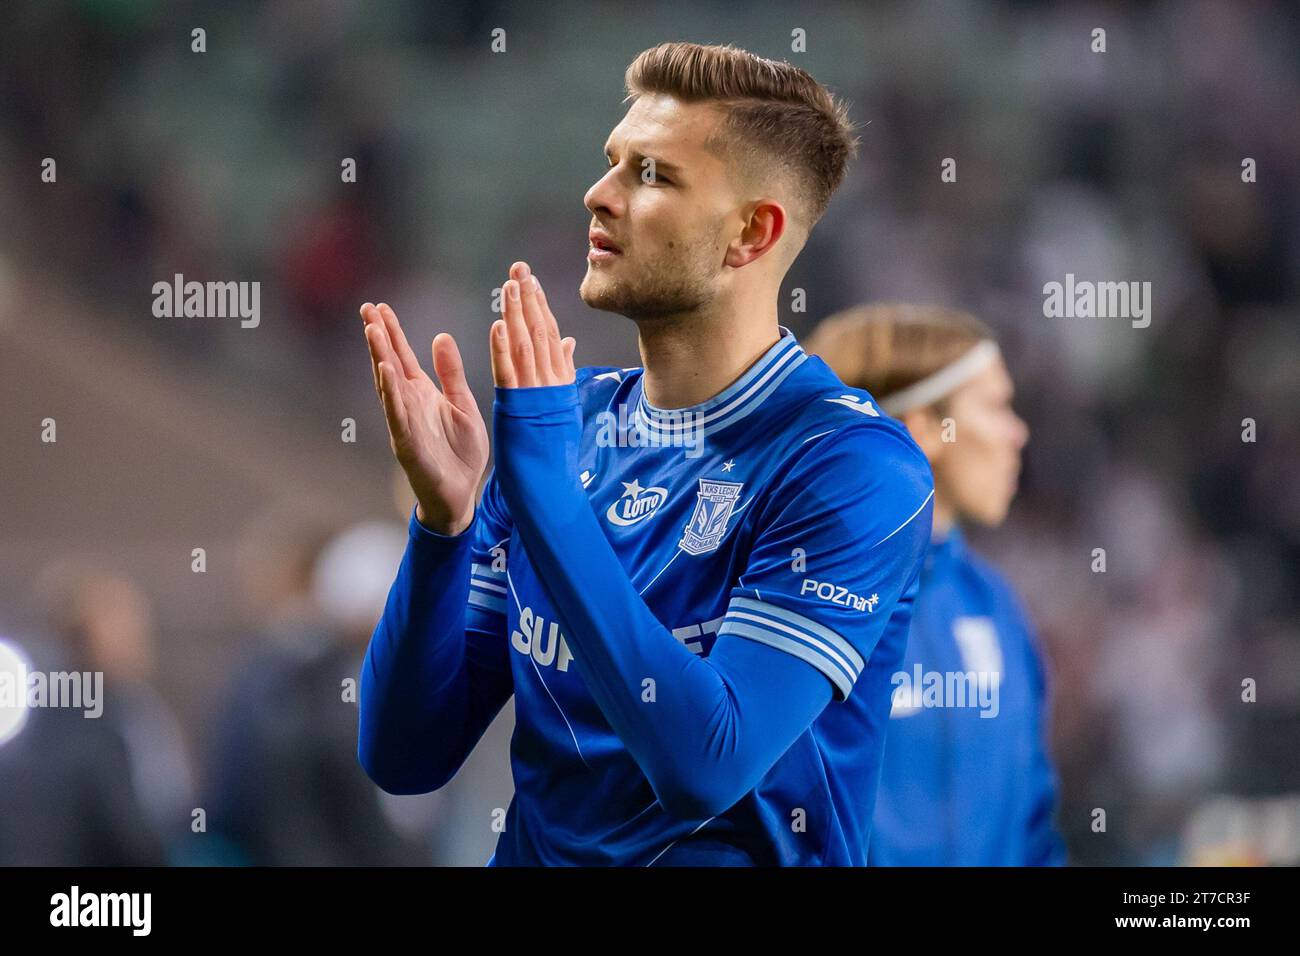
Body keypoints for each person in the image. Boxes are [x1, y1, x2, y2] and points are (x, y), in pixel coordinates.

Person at [357, 42, 935, 866]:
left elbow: (708, 765)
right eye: (611, 163)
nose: (599, 194)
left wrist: (547, 495)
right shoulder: (567, 428)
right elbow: (404, 756)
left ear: (751, 233)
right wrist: (441, 527)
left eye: (652, 175)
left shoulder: (849, 468)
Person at [806, 303, 1066, 865]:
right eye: (995, 406)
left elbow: (1034, 832)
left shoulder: (993, 603)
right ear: (923, 428)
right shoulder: (805, 603)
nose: (1018, 433)